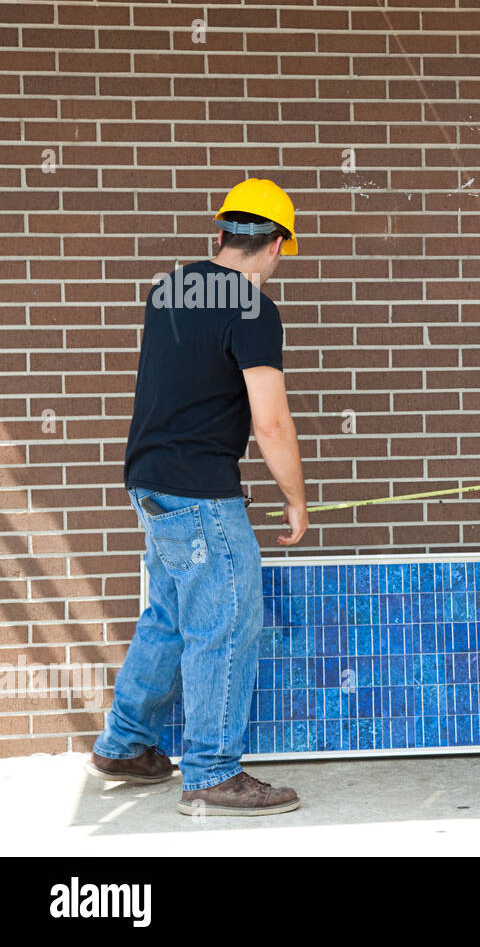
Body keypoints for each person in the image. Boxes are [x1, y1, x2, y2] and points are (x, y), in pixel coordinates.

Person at [86, 178, 309, 815]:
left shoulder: (170, 289)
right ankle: (211, 772)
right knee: (225, 625)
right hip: (202, 494)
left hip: (150, 481)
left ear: (221, 235)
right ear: (275, 248)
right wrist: (296, 497)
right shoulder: (254, 309)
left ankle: (126, 743)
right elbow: (271, 422)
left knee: (170, 619)